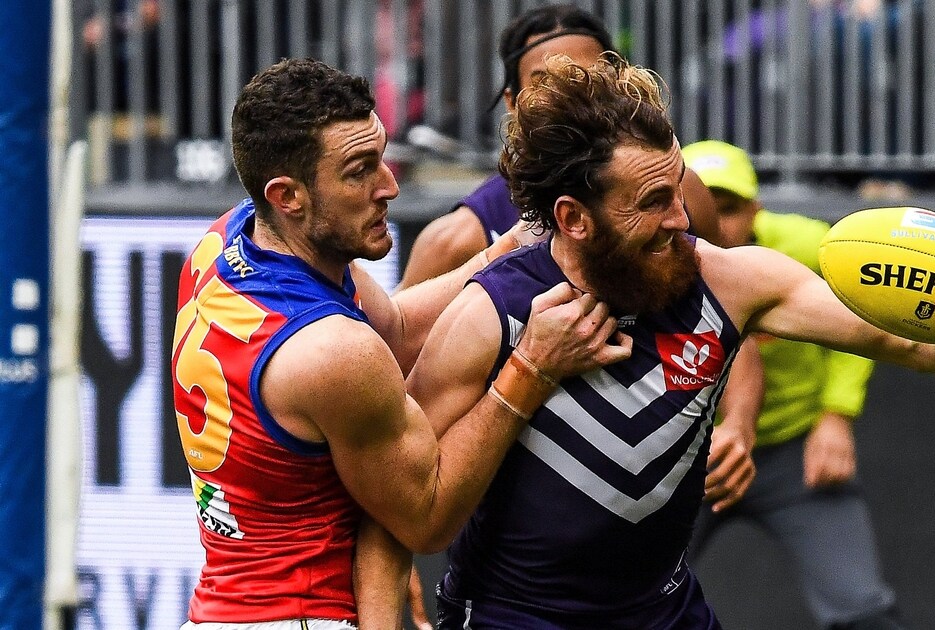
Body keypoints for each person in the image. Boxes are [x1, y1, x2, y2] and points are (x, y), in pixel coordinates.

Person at [406, 53, 935, 629]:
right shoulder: (491, 315)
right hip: (514, 619)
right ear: (575, 219)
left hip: (662, 614)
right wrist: (527, 373)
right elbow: (422, 518)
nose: (682, 217)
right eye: (653, 200)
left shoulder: (733, 281)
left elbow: (922, 347)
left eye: (678, 188)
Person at [171, 57, 631, 629]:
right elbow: (426, 517)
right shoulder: (331, 352)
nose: (388, 185)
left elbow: (393, 329)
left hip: (221, 610)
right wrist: (533, 367)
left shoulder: (227, 241)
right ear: (288, 195)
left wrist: (501, 253)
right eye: (361, 169)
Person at [681, 139, 906, 629]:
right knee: (614, 606)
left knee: (864, 614)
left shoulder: (809, 248)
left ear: (757, 211)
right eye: (701, 206)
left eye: (731, 208)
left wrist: (835, 416)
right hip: (687, 462)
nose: (717, 223)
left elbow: (864, 322)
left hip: (792, 454)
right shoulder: (651, 265)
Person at [398, 3, 729, 289]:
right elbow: (397, 345)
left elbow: (730, 320)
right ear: (513, 103)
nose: (572, 100)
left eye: (589, 79)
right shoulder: (459, 239)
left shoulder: (684, 193)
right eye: (547, 85)